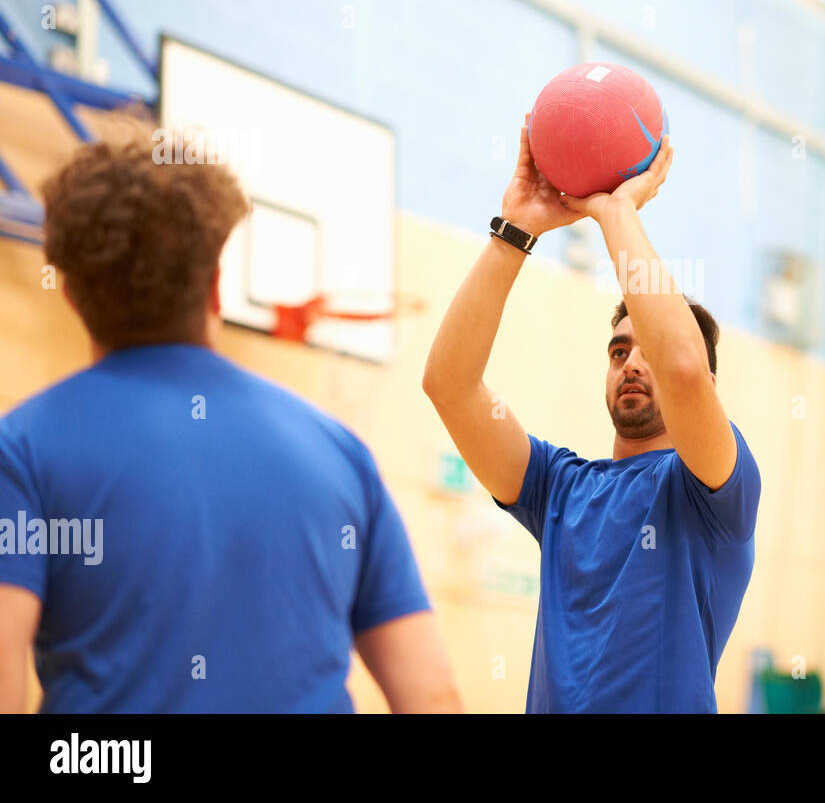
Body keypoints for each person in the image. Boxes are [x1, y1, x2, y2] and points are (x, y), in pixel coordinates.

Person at [0, 138, 459, 713]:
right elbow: (432, 697)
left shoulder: (20, 450)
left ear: (68, 293)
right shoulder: (340, 453)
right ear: (217, 284)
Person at [423, 118, 760, 712]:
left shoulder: (713, 490)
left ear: (710, 386)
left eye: (647, 348)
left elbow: (682, 367)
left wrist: (616, 212)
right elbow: (449, 386)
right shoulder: (557, 486)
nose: (632, 362)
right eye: (618, 351)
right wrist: (516, 230)